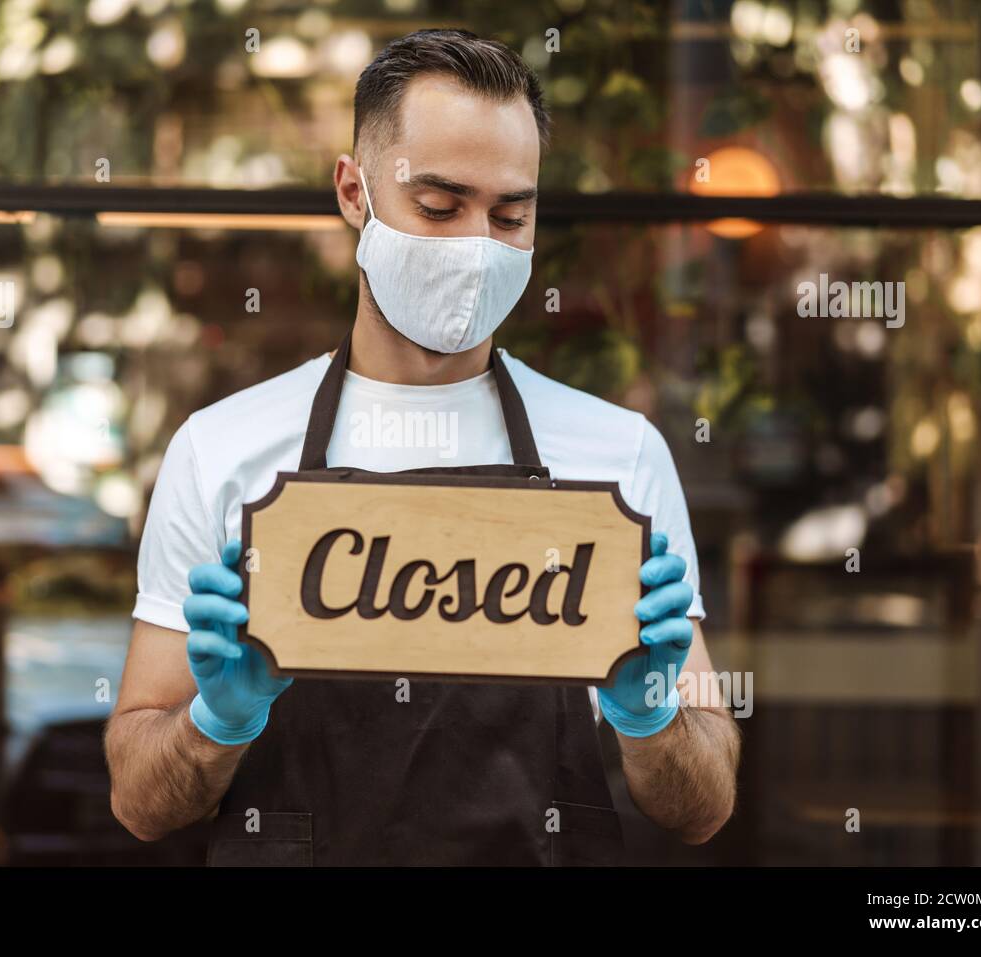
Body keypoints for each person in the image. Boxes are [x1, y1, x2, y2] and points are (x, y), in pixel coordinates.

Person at [106, 28, 740, 865]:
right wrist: (216, 720)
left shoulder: (618, 456)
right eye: (439, 206)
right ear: (353, 191)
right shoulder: (220, 449)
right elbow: (139, 801)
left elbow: (705, 805)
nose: (477, 247)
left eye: (510, 214)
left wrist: (651, 709)